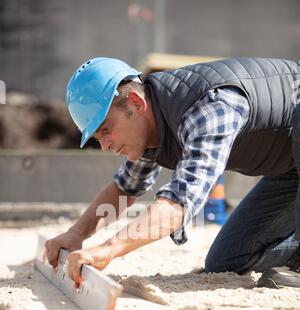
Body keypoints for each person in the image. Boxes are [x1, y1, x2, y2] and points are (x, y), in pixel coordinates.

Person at [45, 57, 300, 289]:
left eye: (106, 129)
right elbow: (125, 188)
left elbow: (179, 204)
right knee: (229, 259)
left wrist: (108, 250)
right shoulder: (150, 125)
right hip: (291, 170)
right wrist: (76, 234)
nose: (105, 145)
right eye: (97, 137)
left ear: (136, 102)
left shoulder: (210, 106)